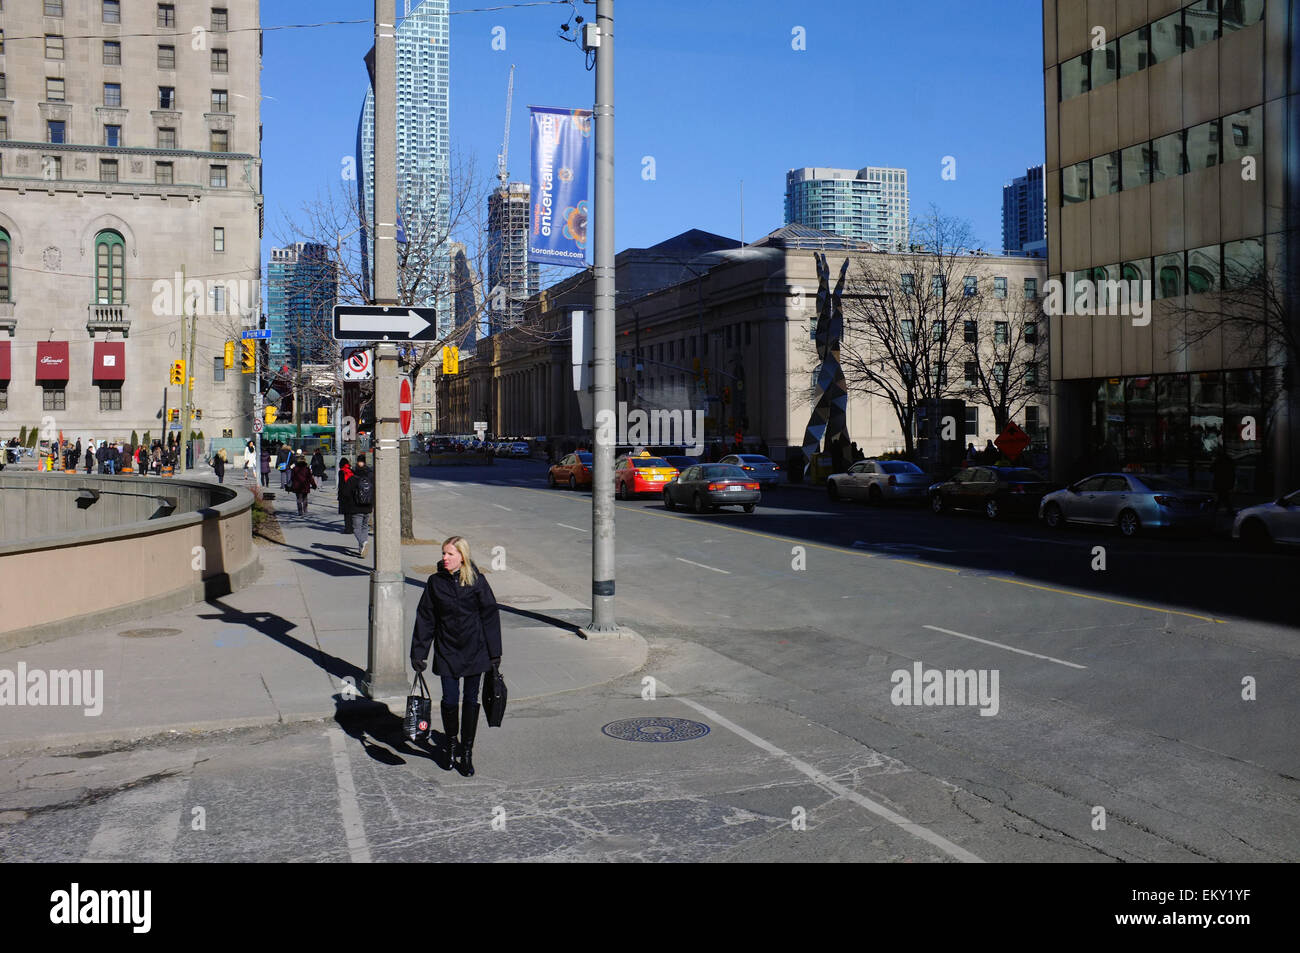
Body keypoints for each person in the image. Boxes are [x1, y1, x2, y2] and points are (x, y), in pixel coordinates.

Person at [410, 536, 502, 777]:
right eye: (443, 553)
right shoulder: (435, 582)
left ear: (462, 556)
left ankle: (467, 751)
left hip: (475, 651)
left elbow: (490, 616)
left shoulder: (477, 581)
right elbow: (426, 618)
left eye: (450, 554)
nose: (445, 558)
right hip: (447, 650)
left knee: (471, 700)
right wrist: (419, 652)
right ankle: (451, 744)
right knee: (450, 700)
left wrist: (495, 653)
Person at [340, 455, 373, 557]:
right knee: (365, 527)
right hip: (368, 507)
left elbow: (345, 493)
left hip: (356, 507)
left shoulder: (353, 478)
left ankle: (363, 543)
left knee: (356, 528)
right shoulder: (371, 476)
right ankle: (361, 549)